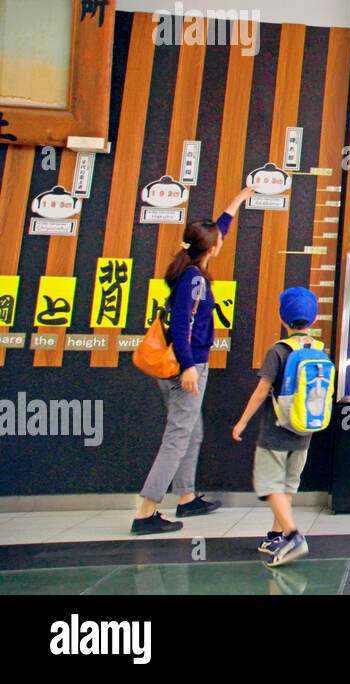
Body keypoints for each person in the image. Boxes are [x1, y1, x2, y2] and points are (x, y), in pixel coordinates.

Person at [130, 185, 255, 535]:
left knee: (192, 432)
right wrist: (188, 368)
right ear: (211, 249)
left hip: (184, 365)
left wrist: (237, 200)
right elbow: (183, 328)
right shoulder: (194, 280)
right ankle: (145, 513)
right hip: (186, 367)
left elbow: (219, 229)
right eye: (218, 241)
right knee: (178, 436)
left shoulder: (189, 269)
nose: (221, 242)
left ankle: (186, 498)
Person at [232, 287, 319, 567]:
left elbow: (261, 391)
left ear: (284, 319)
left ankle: (293, 536)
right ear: (313, 319)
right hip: (304, 429)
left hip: (276, 429)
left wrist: (243, 421)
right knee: (289, 483)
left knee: (270, 483)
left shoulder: (279, 350)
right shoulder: (318, 349)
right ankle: (275, 534)